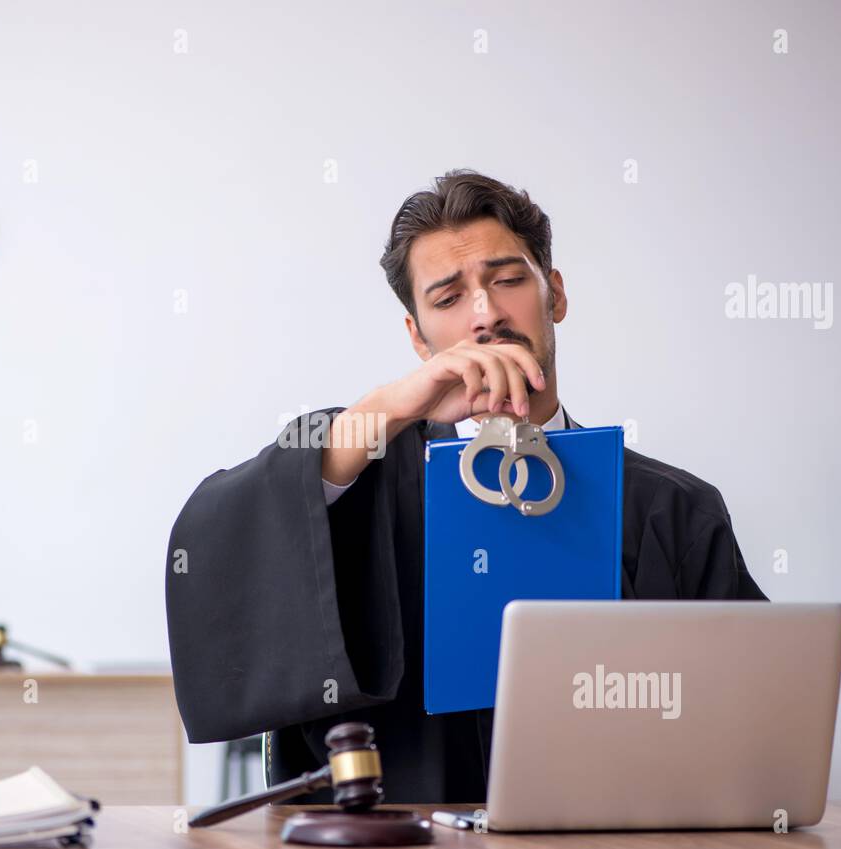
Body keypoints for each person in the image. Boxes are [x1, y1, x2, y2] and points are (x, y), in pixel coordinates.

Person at [166, 169, 767, 804]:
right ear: (417, 337)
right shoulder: (361, 488)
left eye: (508, 281)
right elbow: (223, 543)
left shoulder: (670, 508)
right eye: (448, 298)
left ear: (555, 295)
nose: (485, 315)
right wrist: (390, 409)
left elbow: (755, 705)